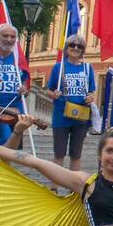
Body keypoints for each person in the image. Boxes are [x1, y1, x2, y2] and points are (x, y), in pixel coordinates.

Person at [44, 35, 96, 170]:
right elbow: (48, 90)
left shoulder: (87, 68)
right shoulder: (58, 67)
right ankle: (54, 188)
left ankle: (73, 188)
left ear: (83, 50)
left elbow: (91, 92)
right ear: (66, 48)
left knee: (76, 154)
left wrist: (90, 97)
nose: (76, 48)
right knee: (59, 153)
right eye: (72, 45)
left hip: (81, 117)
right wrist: (54, 94)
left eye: (80, 46)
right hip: (61, 116)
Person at [0, 23, 31, 113]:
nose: (9, 39)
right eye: (5, 36)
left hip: (14, 112)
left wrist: (24, 90)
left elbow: (26, 88)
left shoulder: (19, 60)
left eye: (12, 37)